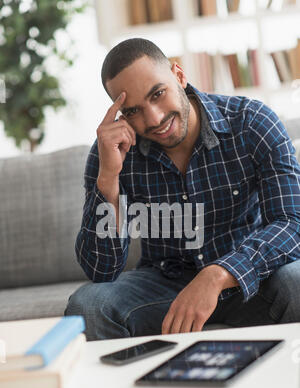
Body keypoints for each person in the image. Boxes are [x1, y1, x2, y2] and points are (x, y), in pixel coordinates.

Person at [64, 38, 300, 341]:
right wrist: (108, 180)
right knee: (89, 306)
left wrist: (218, 274)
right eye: (134, 111)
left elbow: (292, 223)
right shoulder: (112, 154)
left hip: (249, 280)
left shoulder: (253, 122)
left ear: (178, 75)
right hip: (166, 287)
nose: (154, 119)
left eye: (158, 94)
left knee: (296, 282)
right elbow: (101, 271)